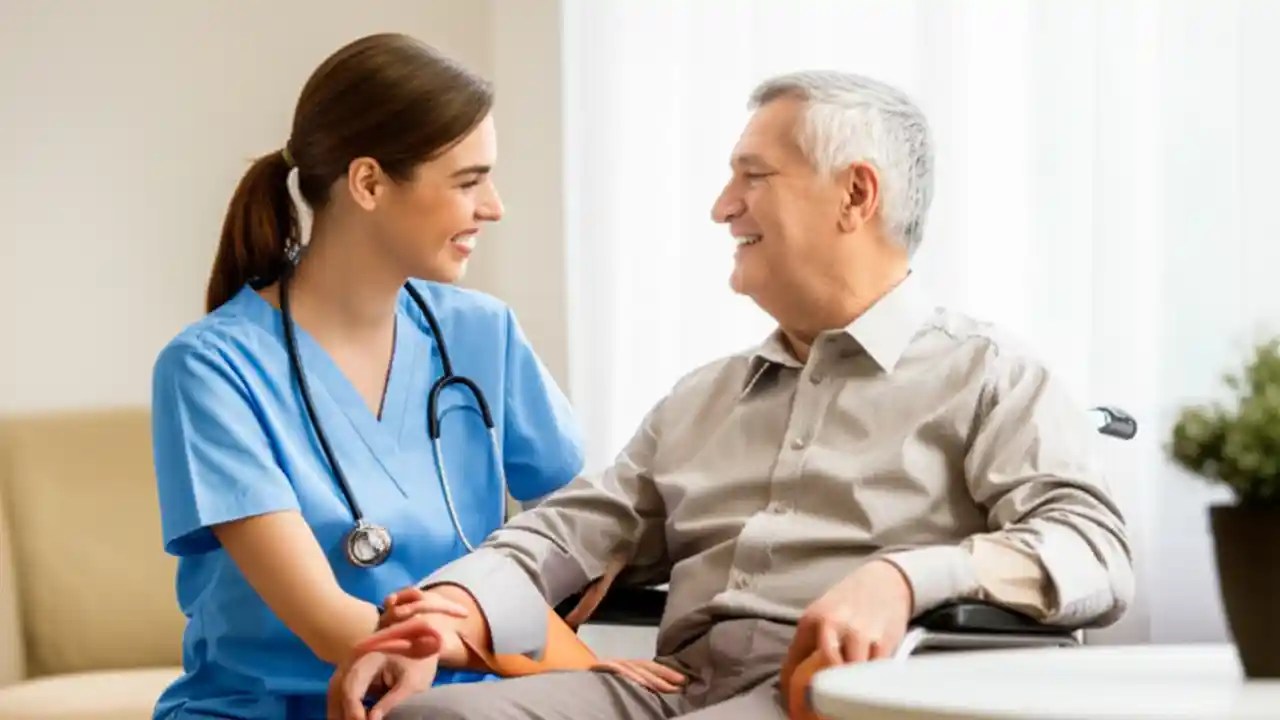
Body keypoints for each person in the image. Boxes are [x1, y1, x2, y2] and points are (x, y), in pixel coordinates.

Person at [336, 71, 1136, 719]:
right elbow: (571, 530)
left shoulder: (987, 374)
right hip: (680, 686)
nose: (722, 207)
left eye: (753, 177)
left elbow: (1095, 549)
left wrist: (903, 578)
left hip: (839, 691)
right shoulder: (703, 399)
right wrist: (443, 614)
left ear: (857, 196)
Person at [149, 33, 589, 719]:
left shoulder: (483, 334)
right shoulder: (211, 368)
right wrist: (553, 653)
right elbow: (330, 625)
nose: (494, 206)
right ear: (369, 183)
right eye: (469, 181)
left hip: (468, 707)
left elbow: (586, 533)